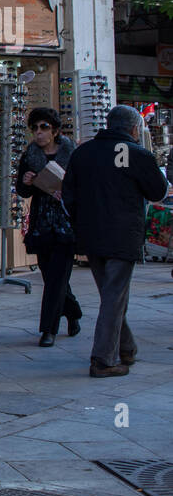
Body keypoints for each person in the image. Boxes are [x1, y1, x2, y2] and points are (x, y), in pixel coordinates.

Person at [62, 104, 171, 377]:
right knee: (113, 297)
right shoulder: (137, 154)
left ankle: (126, 348)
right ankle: (103, 359)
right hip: (122, 235)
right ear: (134, 129)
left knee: (111, 295)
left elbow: (68, 195)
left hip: (91, 234)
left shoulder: (83, 153)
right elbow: (158, 190)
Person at [16, 107, 82, 347]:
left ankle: (48, 330)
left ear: (54, 130)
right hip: (41, 223)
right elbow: (22, 191)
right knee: (51, 276)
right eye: (34, 128)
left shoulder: (72, 154)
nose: (39, 133)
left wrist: (65, 191)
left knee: (57, 278)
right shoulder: (29, 155)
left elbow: (82, 187)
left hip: (65, 223)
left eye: (44, 127)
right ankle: (73, 312)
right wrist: (27, 183)